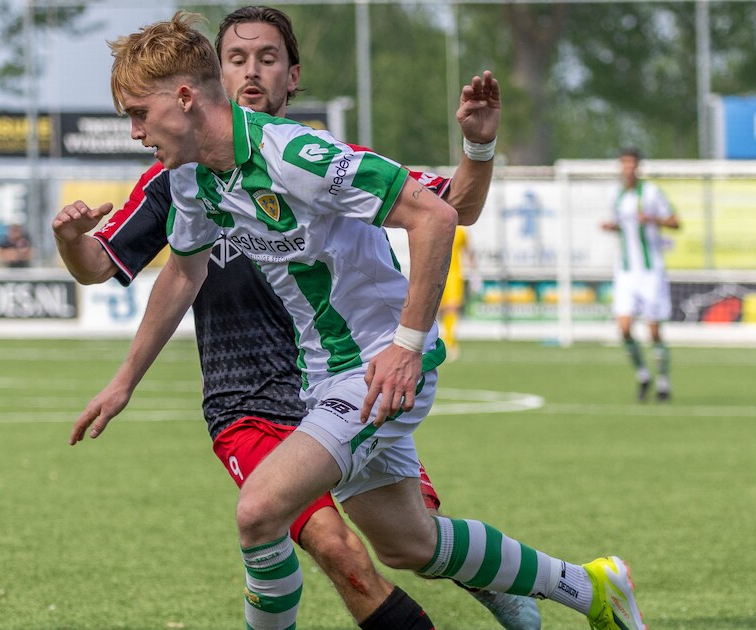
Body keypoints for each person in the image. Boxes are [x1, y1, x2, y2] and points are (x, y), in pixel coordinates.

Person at [70, 11, 646, 630]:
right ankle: (591, 589)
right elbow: (184, 272)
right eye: (236, 58)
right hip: (326, 377)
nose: (133, 132)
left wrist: (406, 346)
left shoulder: (296, 154)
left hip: (380, 368)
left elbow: (439, 216)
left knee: (259, 511)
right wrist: (124, 380)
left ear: (183, 98)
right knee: (410, 544)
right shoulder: (190, 177)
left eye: (137, 113)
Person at [600, 147, 680, 402]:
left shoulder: (652, 192)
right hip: (625, 272)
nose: (628, 168)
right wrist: (612, 227)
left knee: (654, 330)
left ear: (638, 166)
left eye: (632, 164)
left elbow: (676, 222)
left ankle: (664, 382)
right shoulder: (616, 195)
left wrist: (654, 219)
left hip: (650, 271)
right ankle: (644, 375)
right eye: (624, 164)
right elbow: (620, 225)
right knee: (623, 328)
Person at [438, 225, 474, 359]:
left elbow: (468, 250)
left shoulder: (460, 231)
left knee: (452, 308)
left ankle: (450, 342)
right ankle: (445, 339)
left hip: (454, 275)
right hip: (438, 273)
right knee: (442, 310)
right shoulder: (438, 226)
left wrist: (474, 274)